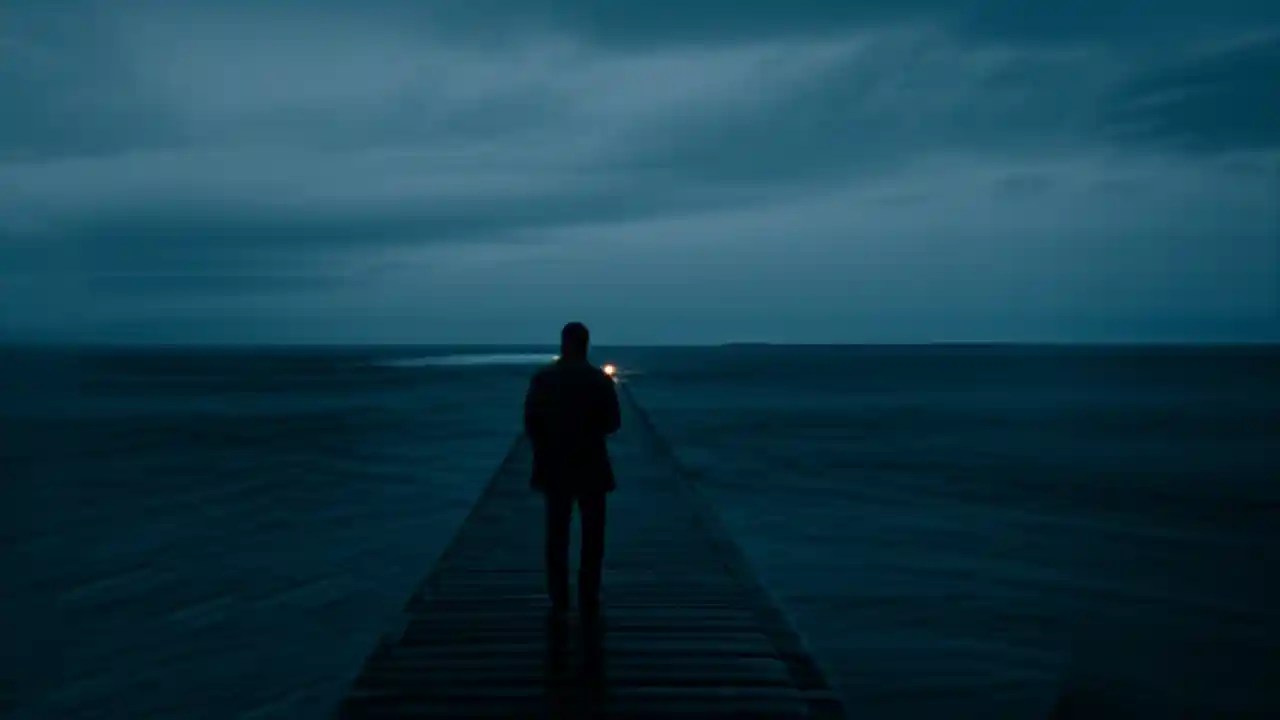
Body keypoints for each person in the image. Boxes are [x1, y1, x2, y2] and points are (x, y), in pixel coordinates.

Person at [523, 322, 621, 615]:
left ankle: (558, 595)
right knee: (593, 535)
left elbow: (531, 422)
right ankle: (588, 593)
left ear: (563, 343)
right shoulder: (598, 380)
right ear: (586, 344)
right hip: (592, 465)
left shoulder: (543, 379)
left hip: (554, 466)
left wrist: (544, 447)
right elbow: (614, 423)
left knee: (556, 534)